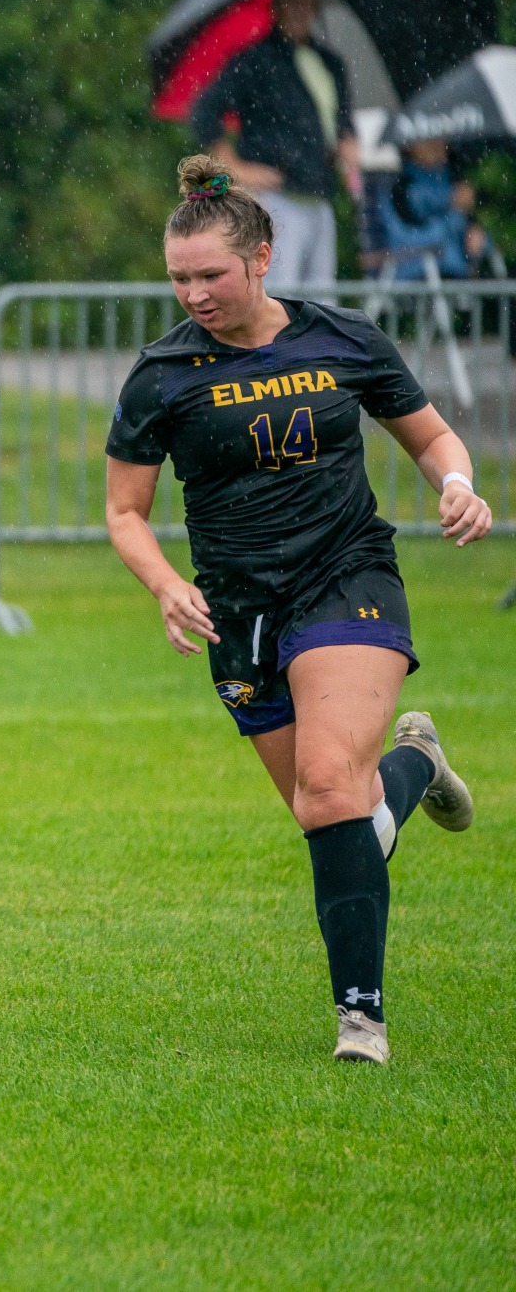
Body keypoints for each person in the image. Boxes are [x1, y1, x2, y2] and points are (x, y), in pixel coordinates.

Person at [104, 155, 492, 1066]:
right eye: (179, 278)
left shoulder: (342, 340)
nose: (194, 293)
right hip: (239, 609)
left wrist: (460, 484)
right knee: (340, 818)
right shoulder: (161, 375)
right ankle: (414, 761)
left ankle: (361, 1019)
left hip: (347, 578)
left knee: (326, 788)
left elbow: (432, 436)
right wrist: (166, 583)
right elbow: (125, 512)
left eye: (211, 274)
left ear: (263, 257)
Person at [189, 0, 361, 291]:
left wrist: (347, 147)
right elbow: (203, 111)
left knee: (321, 304)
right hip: (276, 197)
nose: (300, 9)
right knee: (278, 298)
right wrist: (234, 168)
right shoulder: (255, 60)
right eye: (291, 0)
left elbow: (342, 126)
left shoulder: (331, 64)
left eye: (307, 1)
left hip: (320, 195)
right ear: (276, 5)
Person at [369, 137, 494, 281]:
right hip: (417, 277)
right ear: (409, 147)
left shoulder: (453, 181)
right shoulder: (399, 188)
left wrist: (478, 238)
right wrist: (455, 209)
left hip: (458, 277)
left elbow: (473, 233)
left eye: (440, 138)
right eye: (427, 140)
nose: (435, 145)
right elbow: (411, 236)